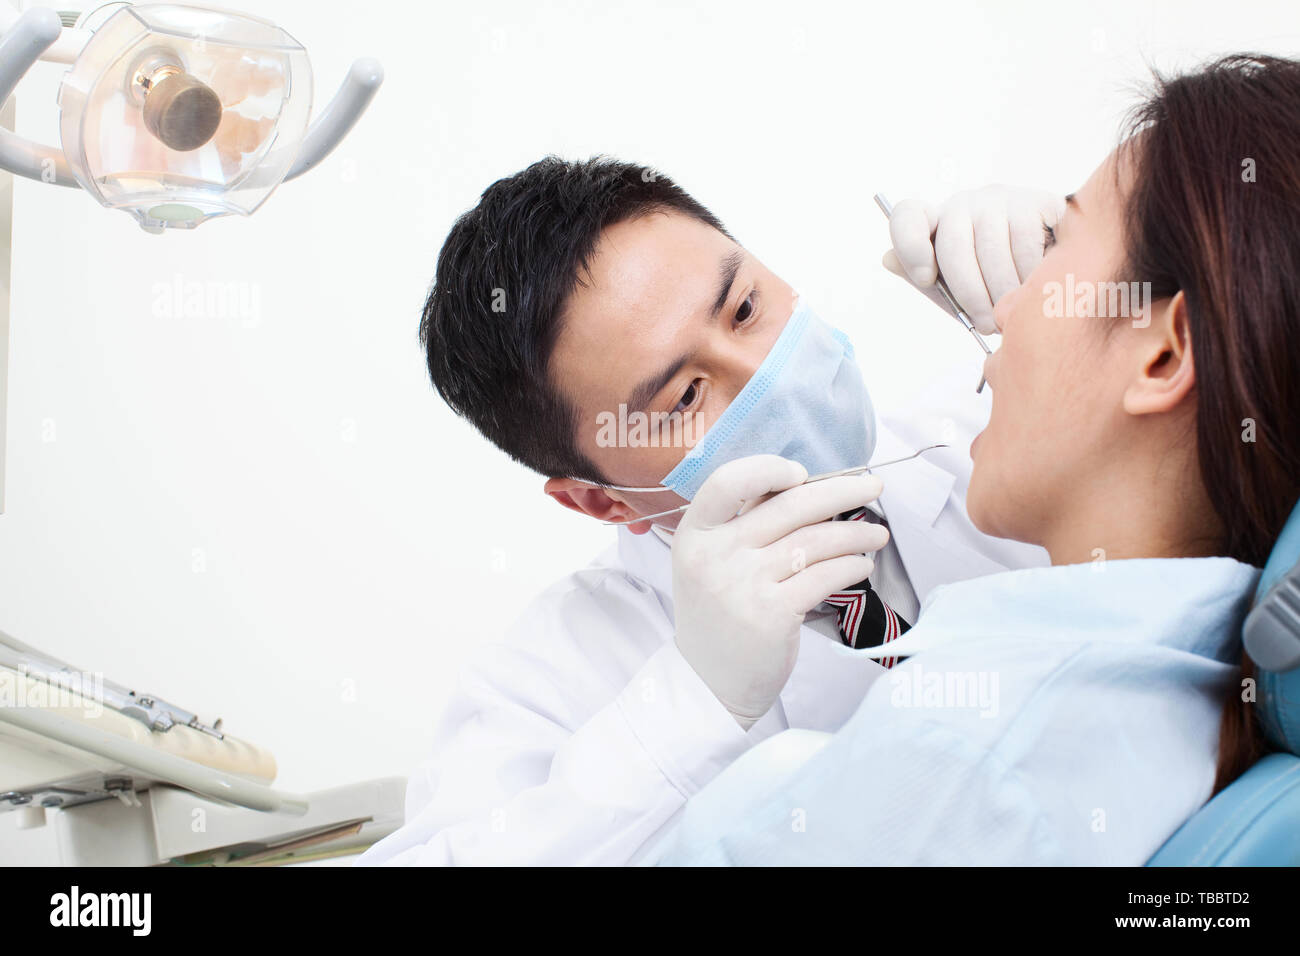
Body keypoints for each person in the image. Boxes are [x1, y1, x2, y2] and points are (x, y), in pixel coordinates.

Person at [658, 53, 1300, 866]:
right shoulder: (1200, 669)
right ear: (593, 498)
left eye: (1056, 240)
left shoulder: (967, 756)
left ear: (1164, 358)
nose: (1002, 306)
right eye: (679, 398)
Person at [356, 158, 1062, 865]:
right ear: (600, 500)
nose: (760, 372)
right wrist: (695, 702)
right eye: (686, 398)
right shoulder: (556, 675)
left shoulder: (991, 440)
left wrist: (1091, 277)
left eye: (746, 310)